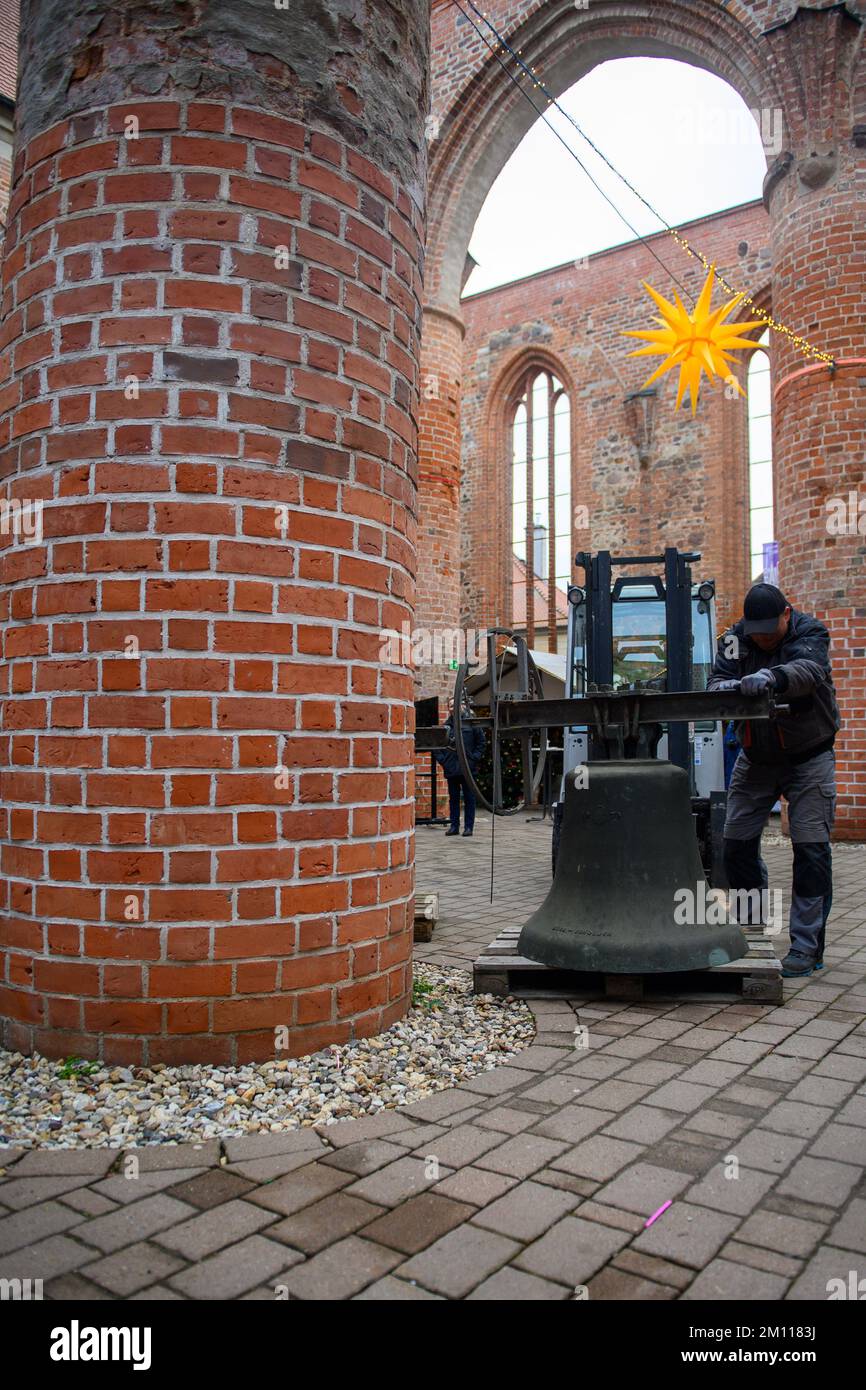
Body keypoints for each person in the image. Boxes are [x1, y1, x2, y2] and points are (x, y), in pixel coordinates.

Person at [708, 582, 840, 977]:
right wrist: (730, 687)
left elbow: (808, 671)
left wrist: (771, 676)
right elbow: (716, 681)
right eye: (756, 631)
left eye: (770, 629)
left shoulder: (810, 632)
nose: (762, 638)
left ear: (786, 615)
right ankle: (752, 928)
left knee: (811, 851)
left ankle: (805, 947)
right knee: (736, 845)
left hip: (809, 756)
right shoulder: (735, 638)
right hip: (756, 758)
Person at [434, 697, 486, 837]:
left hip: (468, 768)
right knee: (454, 798)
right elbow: (437, 747)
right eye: (451, 705)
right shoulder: (446, 726)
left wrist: (473, 759)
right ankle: (454, 826)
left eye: (456, 704)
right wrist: (444, 761)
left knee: (469, 798)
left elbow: (481, 743)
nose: (453, 707)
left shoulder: (472, 724)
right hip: (452, 768)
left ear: (462, 706)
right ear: (448, 709)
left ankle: (468, 827)